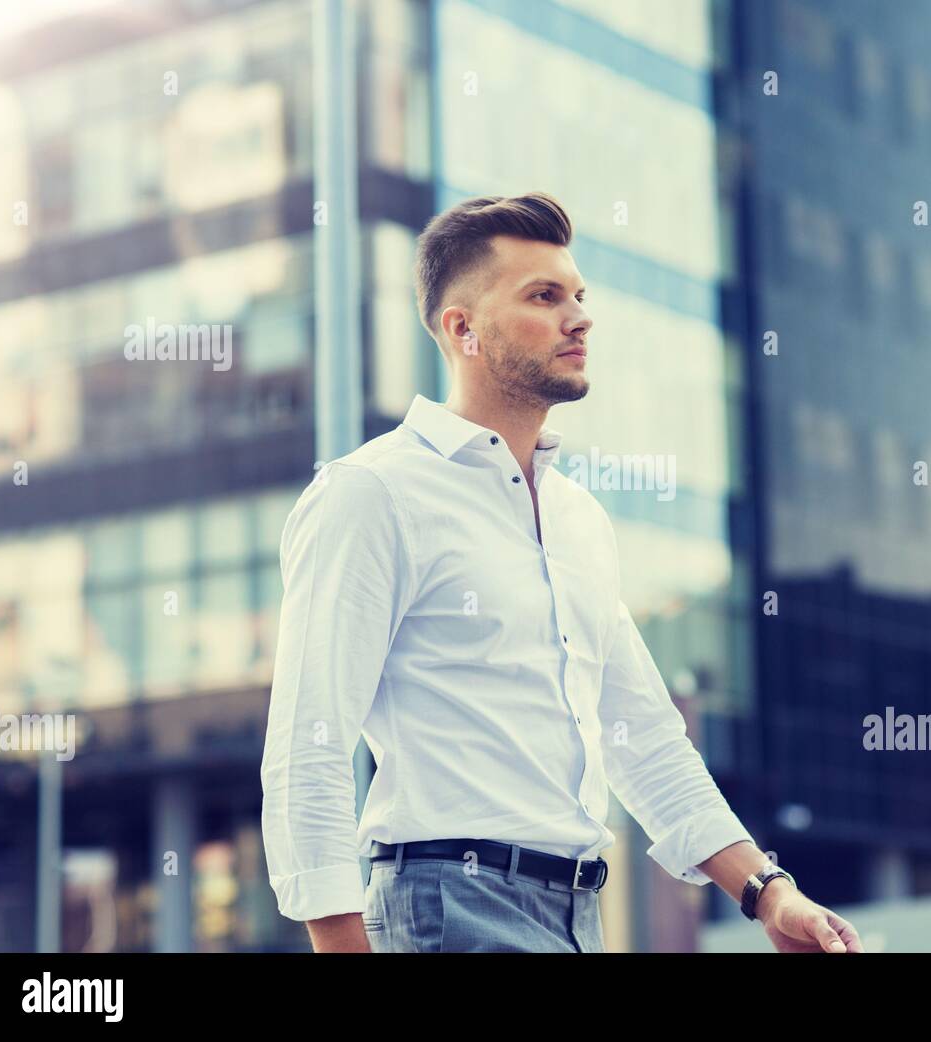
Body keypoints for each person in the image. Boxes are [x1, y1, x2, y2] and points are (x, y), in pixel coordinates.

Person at [259, 191, 863, 954]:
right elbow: (306, 745)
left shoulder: (578, 519)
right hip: (449, 908)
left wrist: (768, 892)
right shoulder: (373, 493)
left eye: (579, 296)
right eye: (544, 297)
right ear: (463, 329)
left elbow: (642, 735)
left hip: (577, 913)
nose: (579, 317)